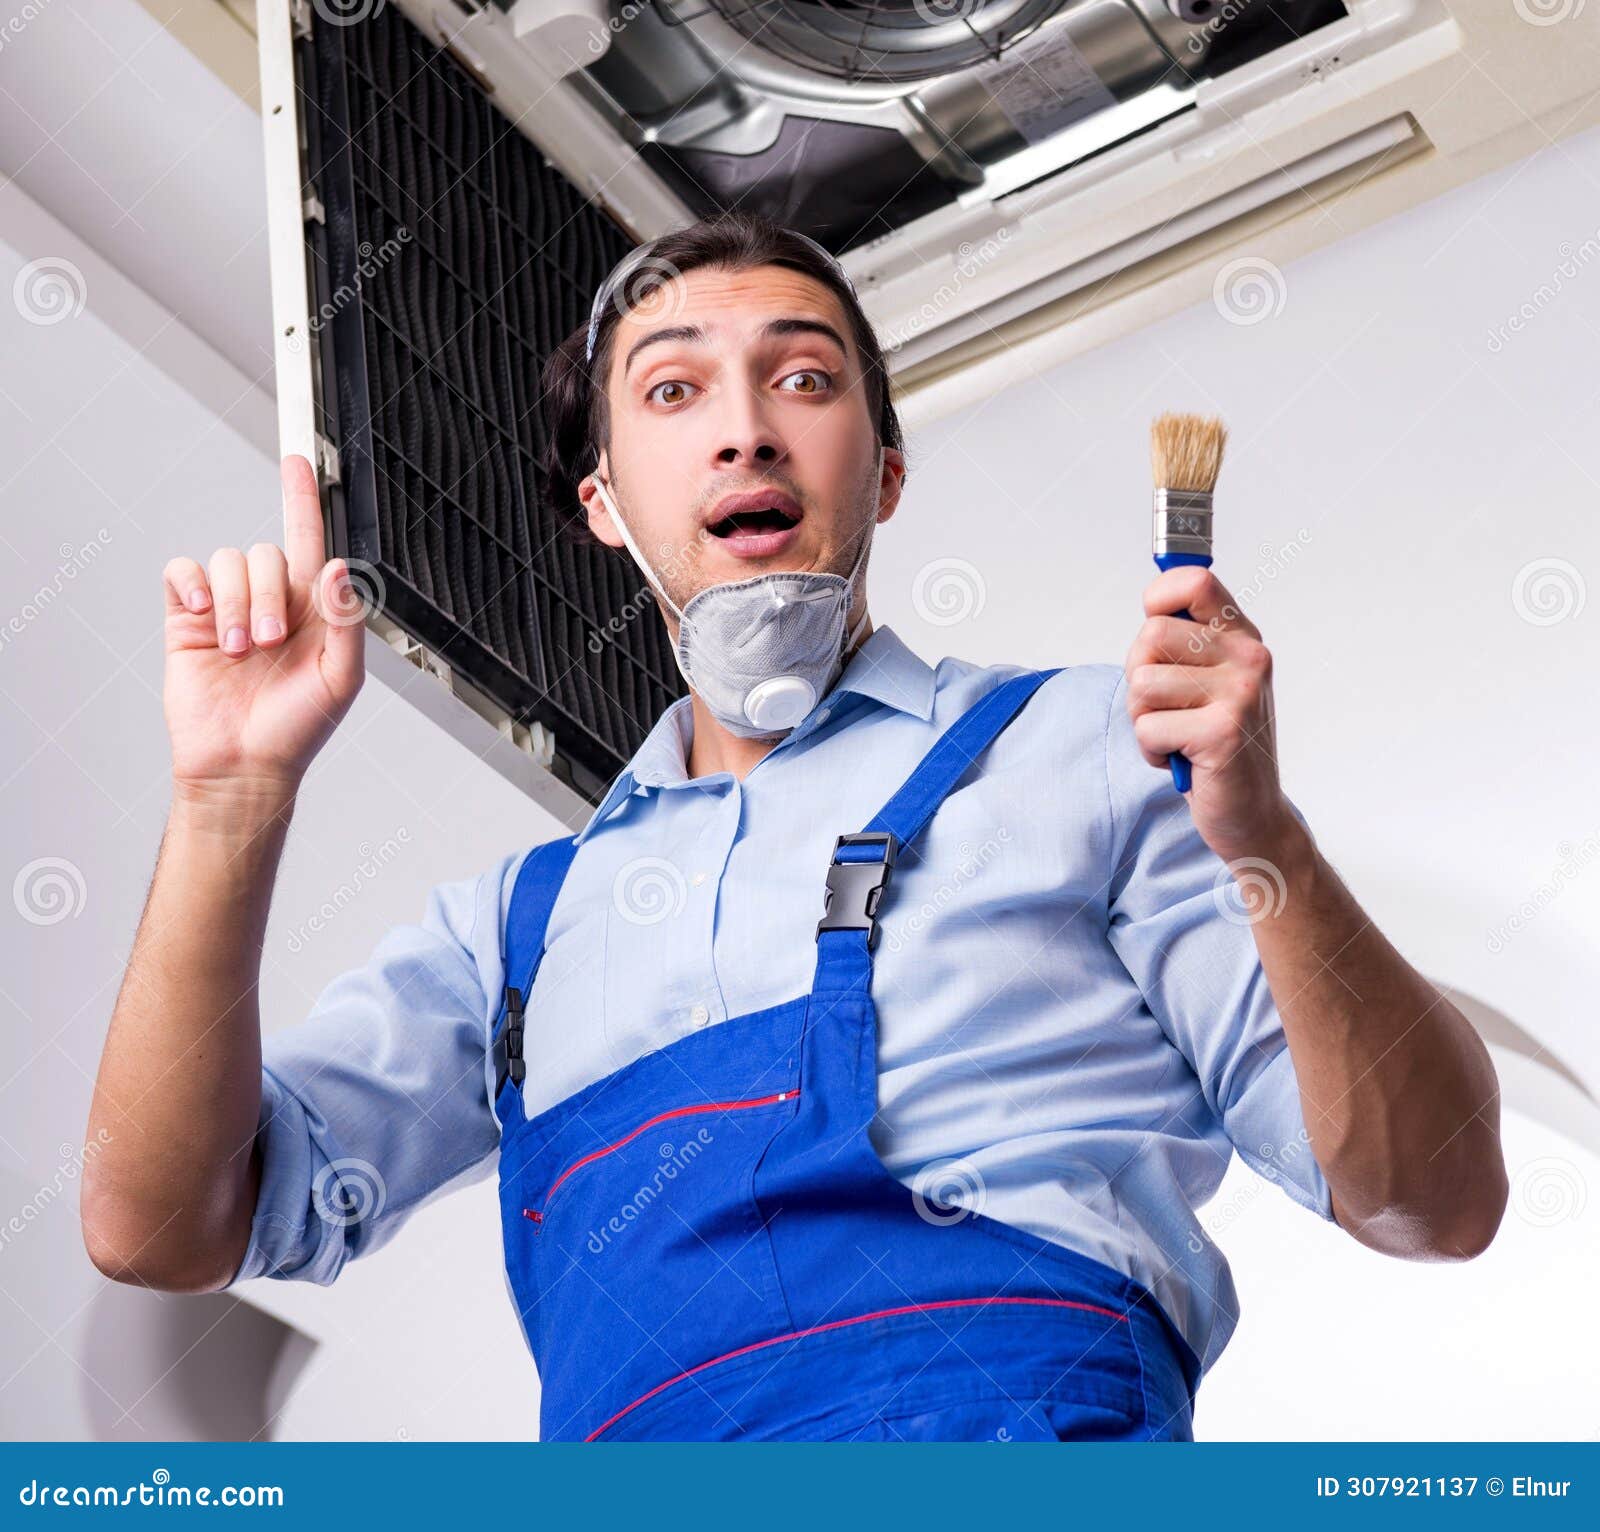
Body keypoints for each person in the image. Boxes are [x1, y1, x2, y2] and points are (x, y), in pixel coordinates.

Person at [81, 211, 1507, 1442]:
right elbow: (162, 1227)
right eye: (674, 390)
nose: (747, 424)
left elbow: (1429, 1201)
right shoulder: (512, 935)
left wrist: (1268, 837)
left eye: (805, 378)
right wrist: (230, 798)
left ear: (882, 473)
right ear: (603, 506)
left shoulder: (1092, 748)